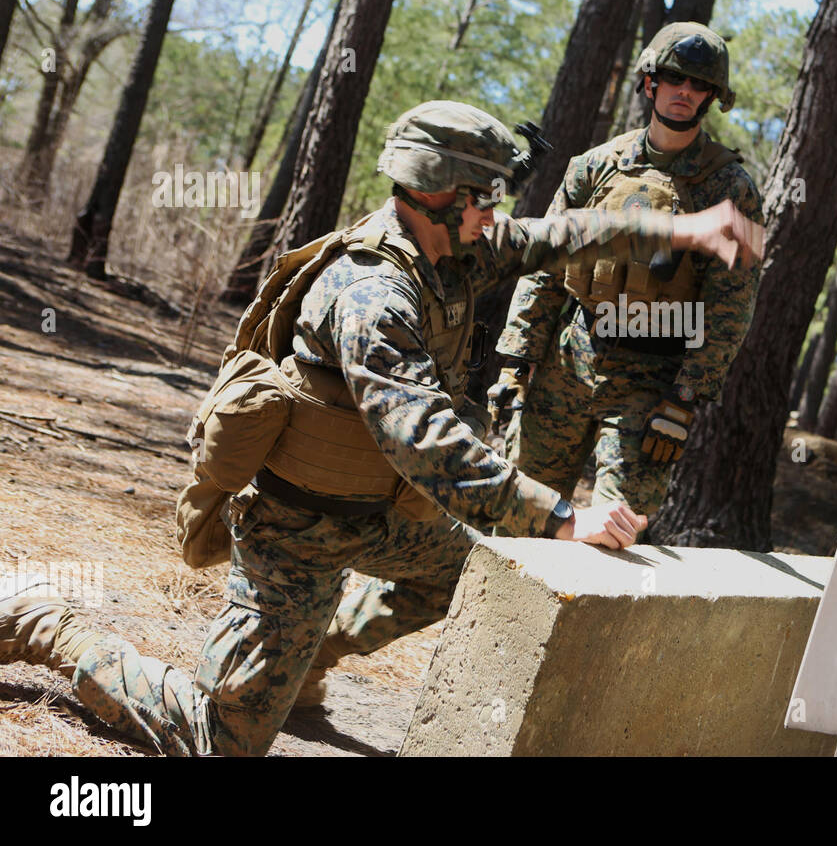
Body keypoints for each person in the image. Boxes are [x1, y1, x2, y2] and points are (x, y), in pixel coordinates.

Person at [0, 100, 764, 756]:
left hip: (374, 518)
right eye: (485, 196)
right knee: (219, 742)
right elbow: (425, 439)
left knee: (473, 570)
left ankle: (312, 657)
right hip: (295, 532)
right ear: (440, 194)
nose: (496, 213)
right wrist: (566, 516)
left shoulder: (454, 245)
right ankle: (51, 626)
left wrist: (693, 230)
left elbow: (556, 238)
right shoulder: (373, 293)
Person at [491, 22, 762, 525]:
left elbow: (732, 303)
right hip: (568, 359)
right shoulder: (595, 166)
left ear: (712, 97)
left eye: (699, 84)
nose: (685, 91)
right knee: (519, 516)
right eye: (675, 78)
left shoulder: (730, 188)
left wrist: (685, 397)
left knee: (616, 532)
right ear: (650, 82)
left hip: (652, 378)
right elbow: (546, 267)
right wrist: (517, 358)